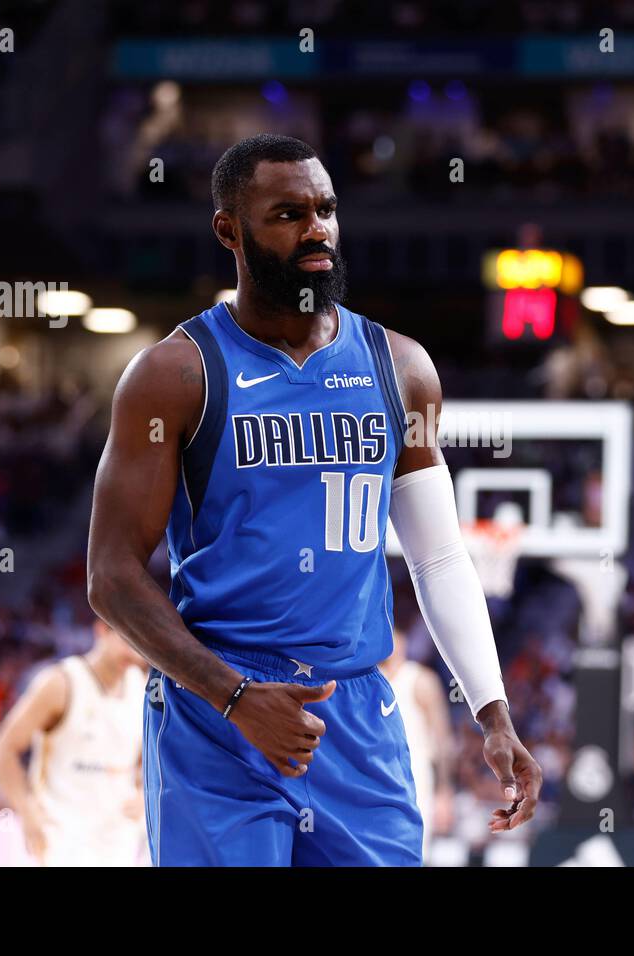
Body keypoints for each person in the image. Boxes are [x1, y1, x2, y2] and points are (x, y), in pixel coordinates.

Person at [87, 133, 541, 866]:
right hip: (216, 714)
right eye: (288, 213)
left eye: (326, 209)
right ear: (229, 230)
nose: (317, 230)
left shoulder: (402, 369)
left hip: (355, 713)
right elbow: (111, 576)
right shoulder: (174, 374)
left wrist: (493, 713)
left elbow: (439, 557)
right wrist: (234, 696)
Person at [0, 618, 146, 866]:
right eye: (127, 640)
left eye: (140, 644)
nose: (133, 652)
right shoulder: (61, 682)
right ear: (102, 630)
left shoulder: (143, 687)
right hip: (61, 838)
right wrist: (26, 808)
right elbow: (4, 749)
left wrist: (142, 791)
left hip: (117, 839)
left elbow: (143, 761)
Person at [380, 627, 455, 862]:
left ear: (403, 641)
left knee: (414, 852)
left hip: (415, 775)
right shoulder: (365, 680)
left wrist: (444, 791)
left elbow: (443, 740)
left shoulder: (421, 680)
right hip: (374, 774)